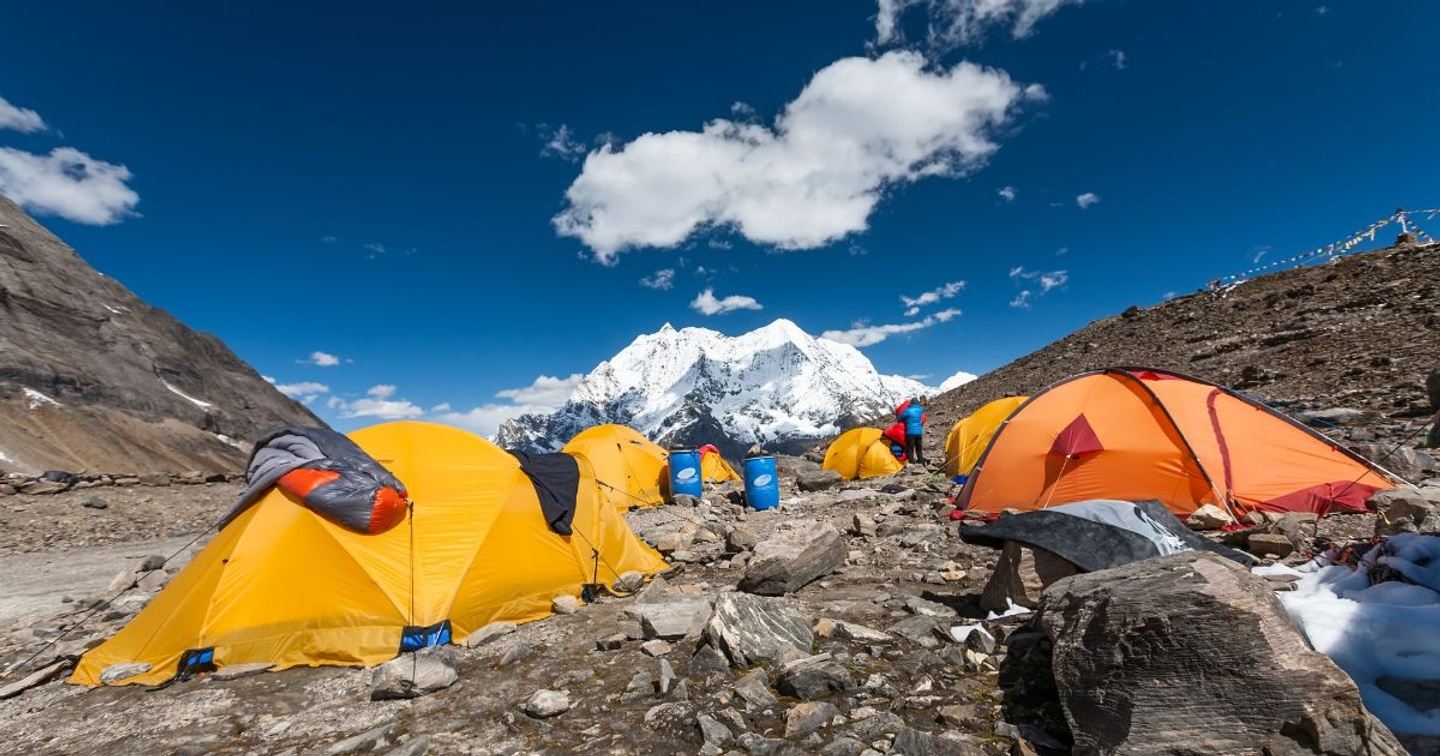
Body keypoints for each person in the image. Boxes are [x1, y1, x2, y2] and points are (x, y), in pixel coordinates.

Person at [897, 396, 927, 465]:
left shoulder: (908, 410)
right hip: (919, 432)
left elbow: (899, 418)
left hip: (910, 432)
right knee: (919, 448)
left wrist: (905, 420)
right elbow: (922, 418)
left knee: (910, 448)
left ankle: (912, 462)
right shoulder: (920, 410)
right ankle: (921, 461)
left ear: (911, 403)